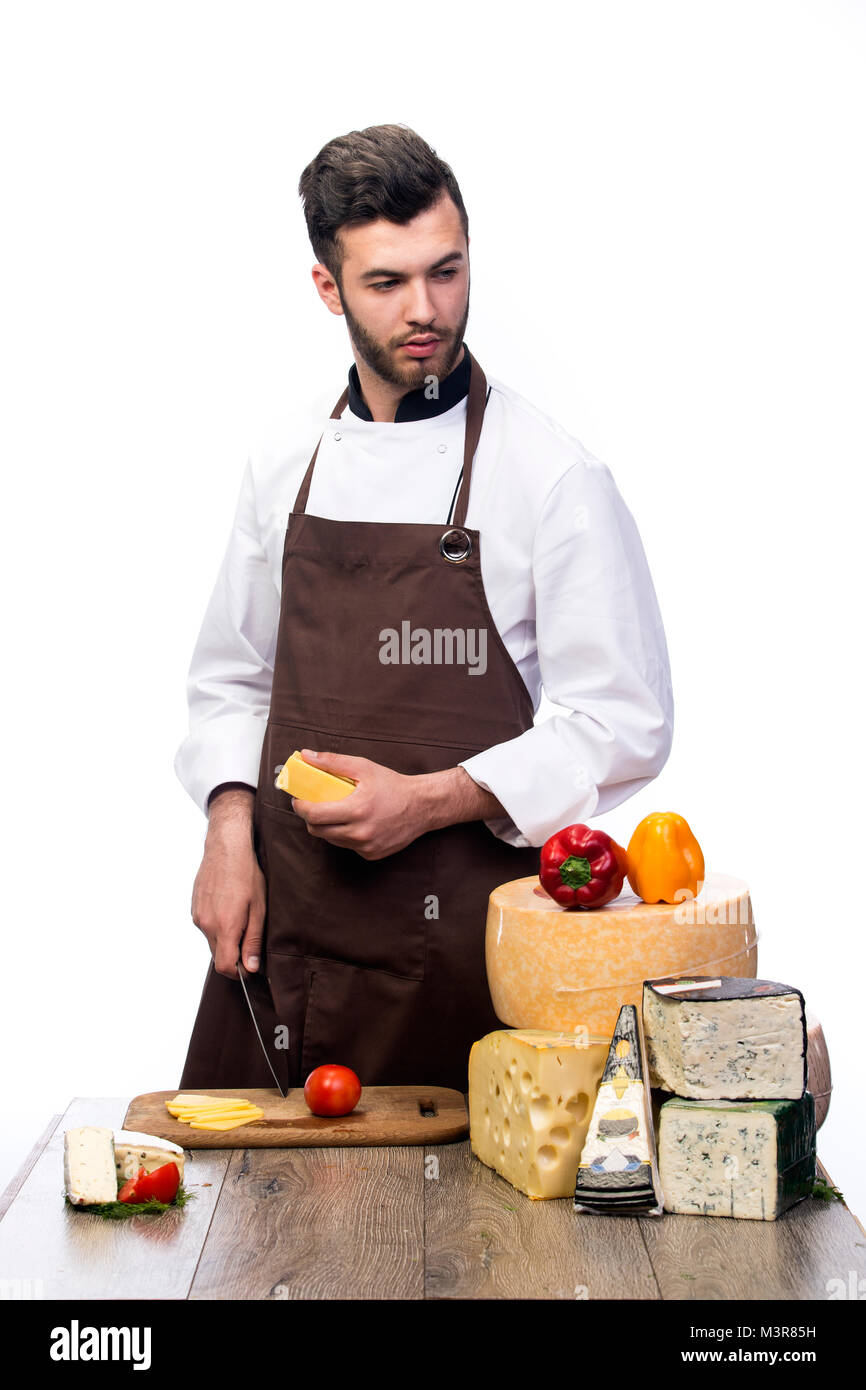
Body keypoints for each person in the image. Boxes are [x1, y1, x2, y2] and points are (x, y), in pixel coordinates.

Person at [174, 123, 673, 1091]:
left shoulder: (552, 477)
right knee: (249, 1231)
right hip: (287, 951)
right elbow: (232, 679)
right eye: (386, 282)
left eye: (445, 272)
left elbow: (621, 722)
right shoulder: (285, 466)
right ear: (327, 289)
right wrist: (225, 833)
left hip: (465, 971)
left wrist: (428, 800)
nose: (426, 309)